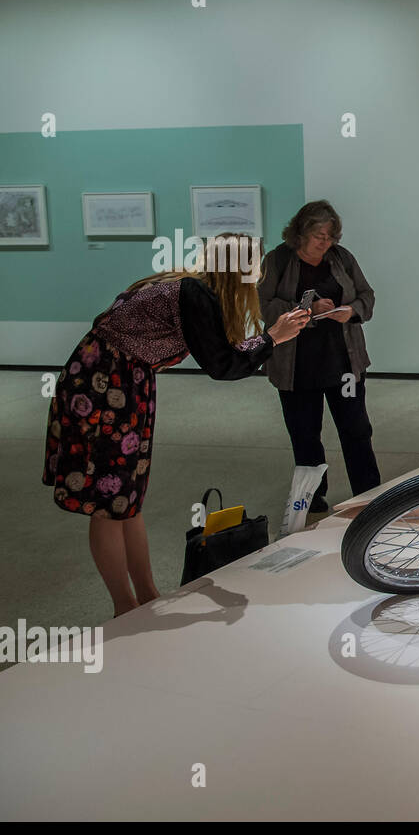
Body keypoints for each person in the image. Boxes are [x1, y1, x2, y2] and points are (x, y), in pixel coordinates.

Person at [43, 238, 311, 616]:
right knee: (107, 502)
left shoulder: (190, 287)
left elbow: (223, 354)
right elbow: (222, 366)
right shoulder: (194, 294)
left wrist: (271, 338)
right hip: (104, 387)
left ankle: (147, 597)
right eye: (256, 265)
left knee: (128, 500)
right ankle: (124, 604)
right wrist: (272, 338)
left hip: (120, 382)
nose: (261, 273)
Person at [259, 201, 381, 513]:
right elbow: (263, 306)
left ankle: (369, 495)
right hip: (296, 366)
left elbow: (367, 295)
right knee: (305, 435)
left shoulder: (342, 258)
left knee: (356, 430)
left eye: (330, 236)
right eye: (319, 236)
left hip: (343, 362)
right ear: (300, 233)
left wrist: (351, 310)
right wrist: (308, 311)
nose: (325, 243)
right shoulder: (277, 261)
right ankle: (312, 499)